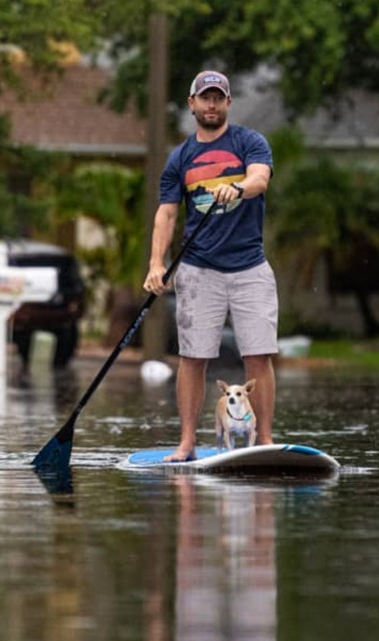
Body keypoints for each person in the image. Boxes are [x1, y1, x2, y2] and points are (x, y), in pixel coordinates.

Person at [143, 70, 277, 462]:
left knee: (259, 354)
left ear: (228, 104)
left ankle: (265, 440)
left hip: (249, 266)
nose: (212, 105)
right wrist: (156, 264)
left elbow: (260, 179)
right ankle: (186, 443)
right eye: (205, 98)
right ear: (193, 104)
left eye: (219, 98)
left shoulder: (250, 142)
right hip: (198, 269)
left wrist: (237, 187)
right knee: (193, 357)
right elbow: (166, 214)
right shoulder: (180, 158)